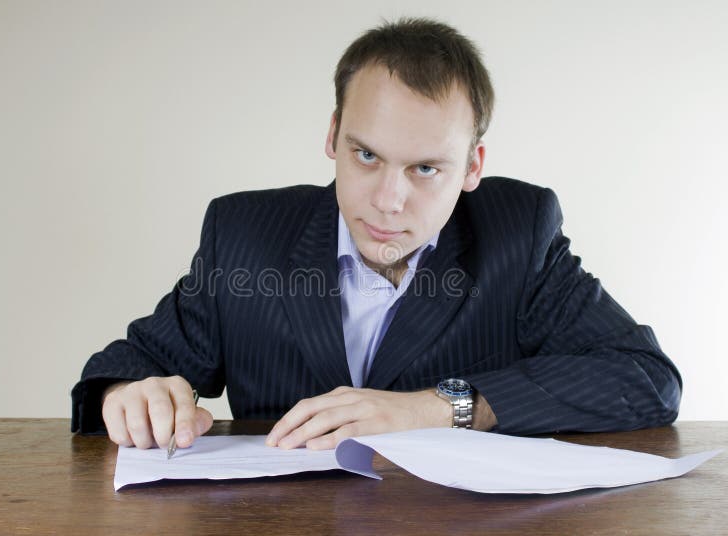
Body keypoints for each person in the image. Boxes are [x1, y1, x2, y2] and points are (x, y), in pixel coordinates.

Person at [71, 17, 681, 452]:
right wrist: (129, 393)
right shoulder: (242, 234)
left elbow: (647, 379)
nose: (389, 201)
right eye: (365, 155)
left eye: (425, 168)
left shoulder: (519, 234)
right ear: (333, 135)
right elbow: (129, 364)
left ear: (472, 167)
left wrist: (437, 408)